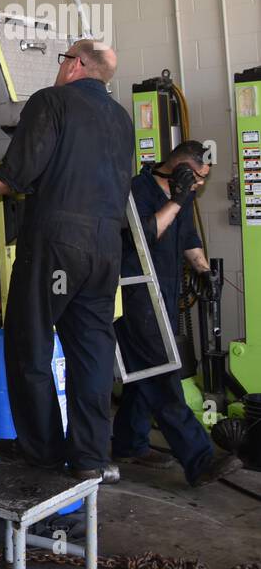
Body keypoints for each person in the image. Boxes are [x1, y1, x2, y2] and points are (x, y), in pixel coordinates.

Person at [0, 41, 132, 482]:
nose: (60, 66)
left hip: (59, 243)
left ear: (76, 64)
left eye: (64, 59)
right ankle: (89, 457)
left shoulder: (52, 100)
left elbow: (16, 173)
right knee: (93, 351)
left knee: (31, 341)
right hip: (106, 247)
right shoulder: (121, 117)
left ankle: (40, 450)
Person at [113, 141, 243, 486]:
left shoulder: (181, 195)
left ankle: (128, 443)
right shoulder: (135, 191)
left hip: (164, 293)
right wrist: (178, 199)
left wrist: (203, 271)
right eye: (197, 178)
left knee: (145, 374)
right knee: (162, 373)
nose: (199, 185)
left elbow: (187, 237)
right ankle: (199, 460)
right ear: (183, 168)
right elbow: (146, 233)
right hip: (135, 293)